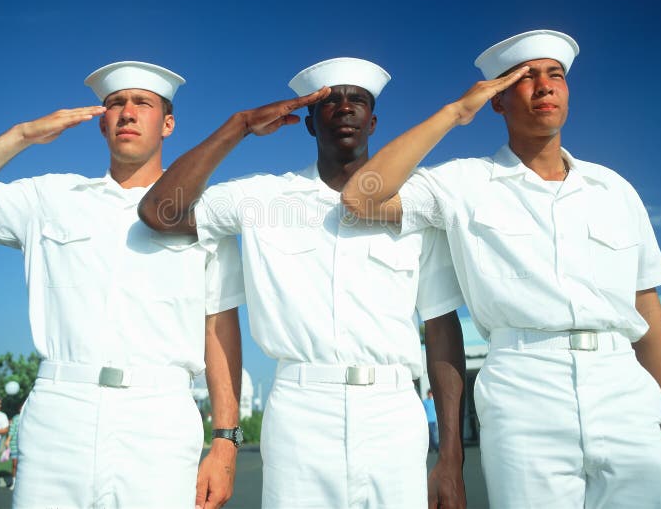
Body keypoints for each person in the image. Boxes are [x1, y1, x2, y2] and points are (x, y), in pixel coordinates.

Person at [341, 30, 661, 508]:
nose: (545, 86)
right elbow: (359, 196)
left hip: (624, 390)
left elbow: (648, 313)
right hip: (523, 390)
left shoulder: (615, 190)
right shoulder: (462, 185)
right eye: (526, 78)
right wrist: (454, 113)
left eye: (556, 75)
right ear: (497, 101)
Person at [138, 57, 468, 508]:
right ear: (310, 123)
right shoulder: (262, 200)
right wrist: (238, 126)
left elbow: (441, 327)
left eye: (358, 101)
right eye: (331, 102)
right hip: (299, 416)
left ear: (373, 121)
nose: (346, 108)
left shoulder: (412, 210)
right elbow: (159, 211)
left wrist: (451, 457)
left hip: (394, 415)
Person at [0, 61, 245, 509]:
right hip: (59, 413)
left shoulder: (205, 215)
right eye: (115, 104)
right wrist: (23, 135)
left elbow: (219, 328)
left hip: (160, 419)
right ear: (102, 123)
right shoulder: (51, 198)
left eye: (142, 103)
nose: (127, 112)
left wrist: (226, 441)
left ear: (167, 123)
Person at [4, 401, 23, 491]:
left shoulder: (30, 417)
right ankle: (14, 483)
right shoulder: (16, 418)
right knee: (15, 464)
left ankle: (22, 483)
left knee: (24, 465)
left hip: (26, 444)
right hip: (15, 443)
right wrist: (8, 440)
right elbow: (12, 430)